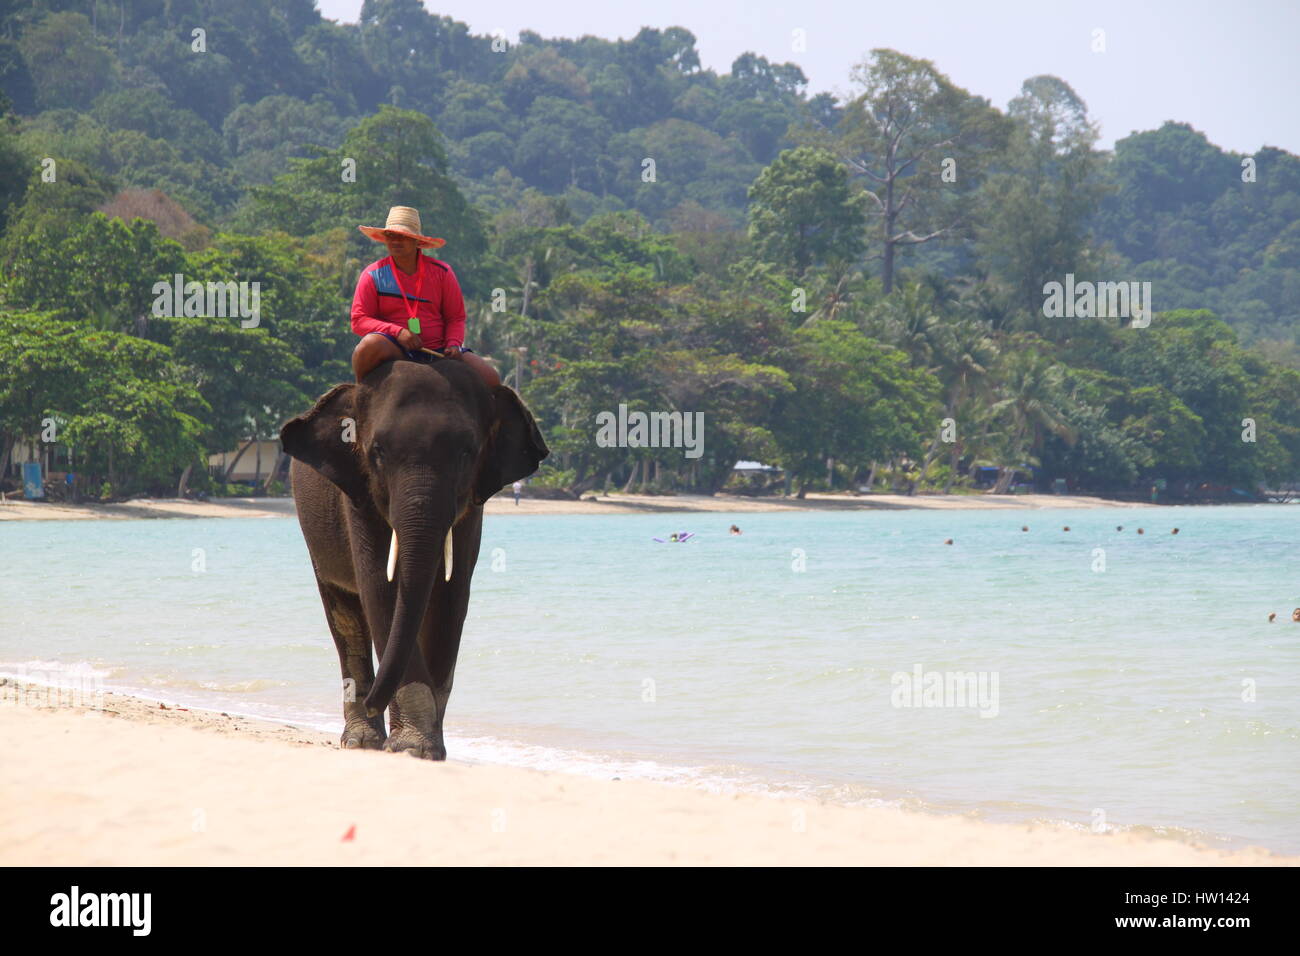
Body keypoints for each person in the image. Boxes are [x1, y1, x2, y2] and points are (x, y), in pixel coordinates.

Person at [350, 206, 500, 388]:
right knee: (368, 346)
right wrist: (398, 332)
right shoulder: (372, 274)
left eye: (403, 236)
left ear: (417, 241)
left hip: (438, 351)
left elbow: (456, 317)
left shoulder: (442, 272)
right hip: (395, 348)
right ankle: (359, 397)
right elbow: (359, 320)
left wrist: (453, 344)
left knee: (491, 378)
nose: (395, 241)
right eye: (391, 236)